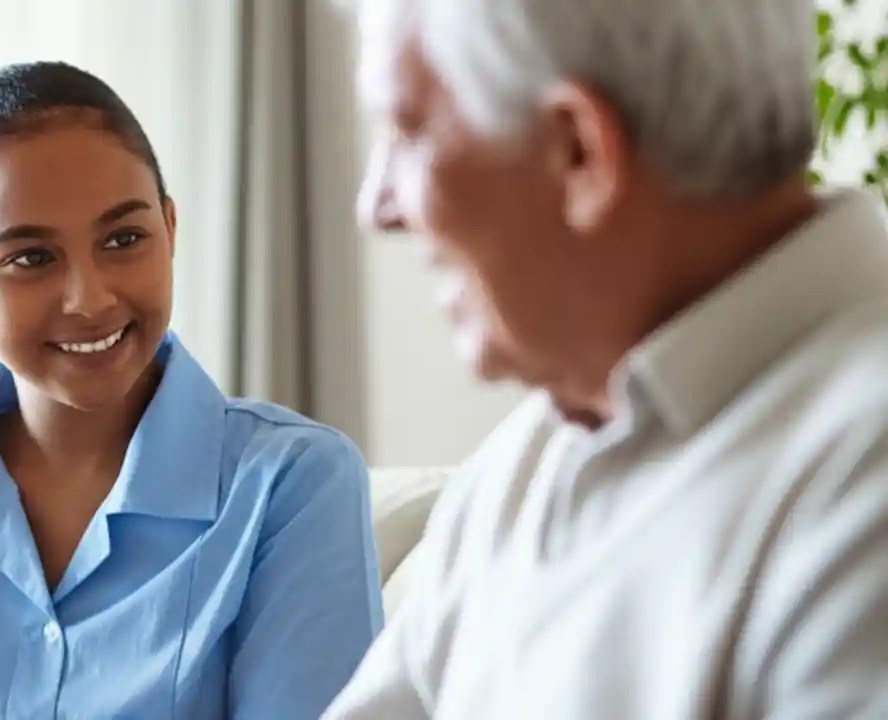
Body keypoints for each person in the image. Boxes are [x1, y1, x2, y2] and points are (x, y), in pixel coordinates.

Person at [0, 62, 383, 720]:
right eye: (31, 258)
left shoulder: (290, 484)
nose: (90, 299)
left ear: (170, 230)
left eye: (124, 239)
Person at [326, 0, 888, 717]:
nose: (377, 206)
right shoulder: (527, 460)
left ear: (579, 152)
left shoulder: (860, 489)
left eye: (407, 131)